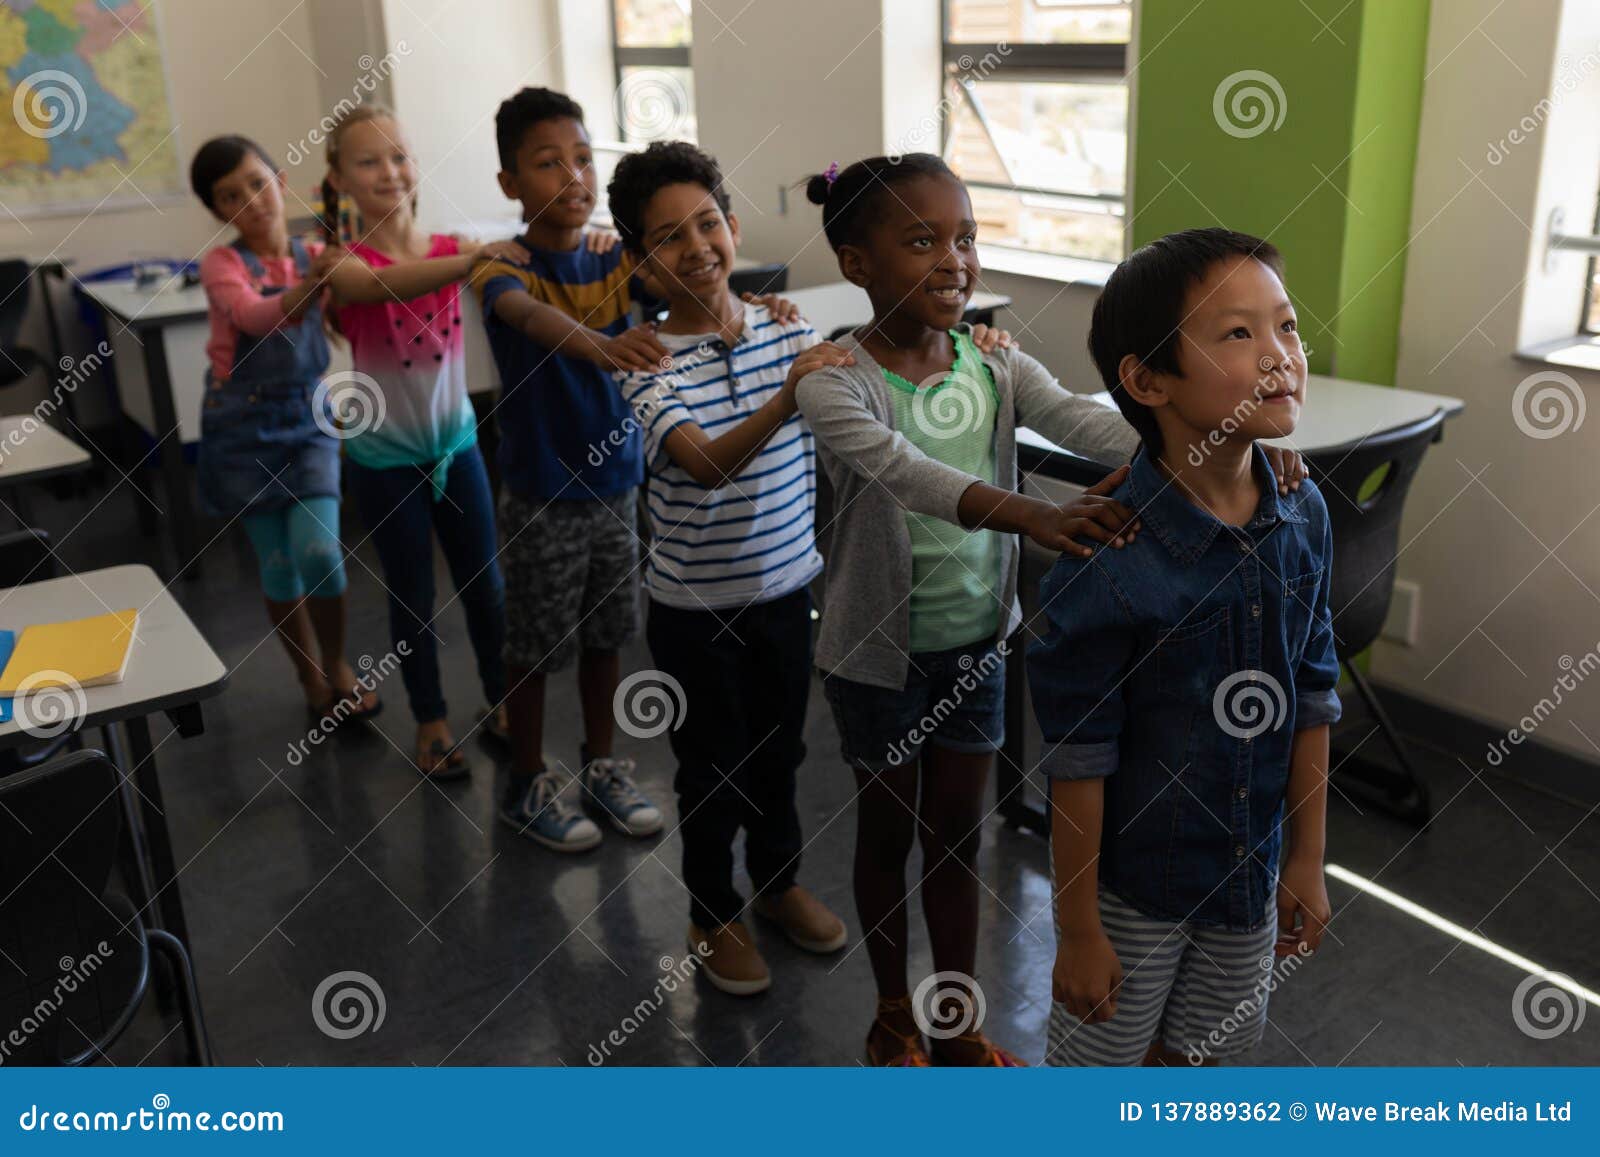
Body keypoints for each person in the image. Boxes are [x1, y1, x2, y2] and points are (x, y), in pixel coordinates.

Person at [1028, 227, 1340, 1066]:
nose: (1279, 356)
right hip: (1136, 895)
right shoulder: (1108, 562)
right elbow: (1079, 762)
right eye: (1238, 334)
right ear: (1146, 378)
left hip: (1246, 883)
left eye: (1287, 326)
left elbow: (1314, 690)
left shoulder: (1302, 513)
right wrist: (1080, 928)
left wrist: (1307, 858)